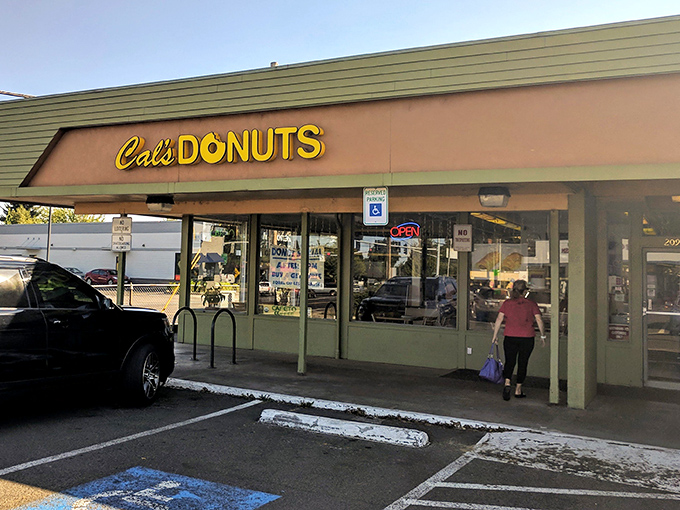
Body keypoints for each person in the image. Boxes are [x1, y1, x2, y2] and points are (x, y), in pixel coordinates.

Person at [491, 280, 546, 400]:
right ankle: (518, 389)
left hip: (510, 336)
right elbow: (539, 320)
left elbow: (499, 319)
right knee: (523, 362)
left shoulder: (507, 303)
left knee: (510, 361)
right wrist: (543, 336)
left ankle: (507, 383)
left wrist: (495, 335)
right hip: (527, 337)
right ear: (525, 291)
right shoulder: (531, 304)